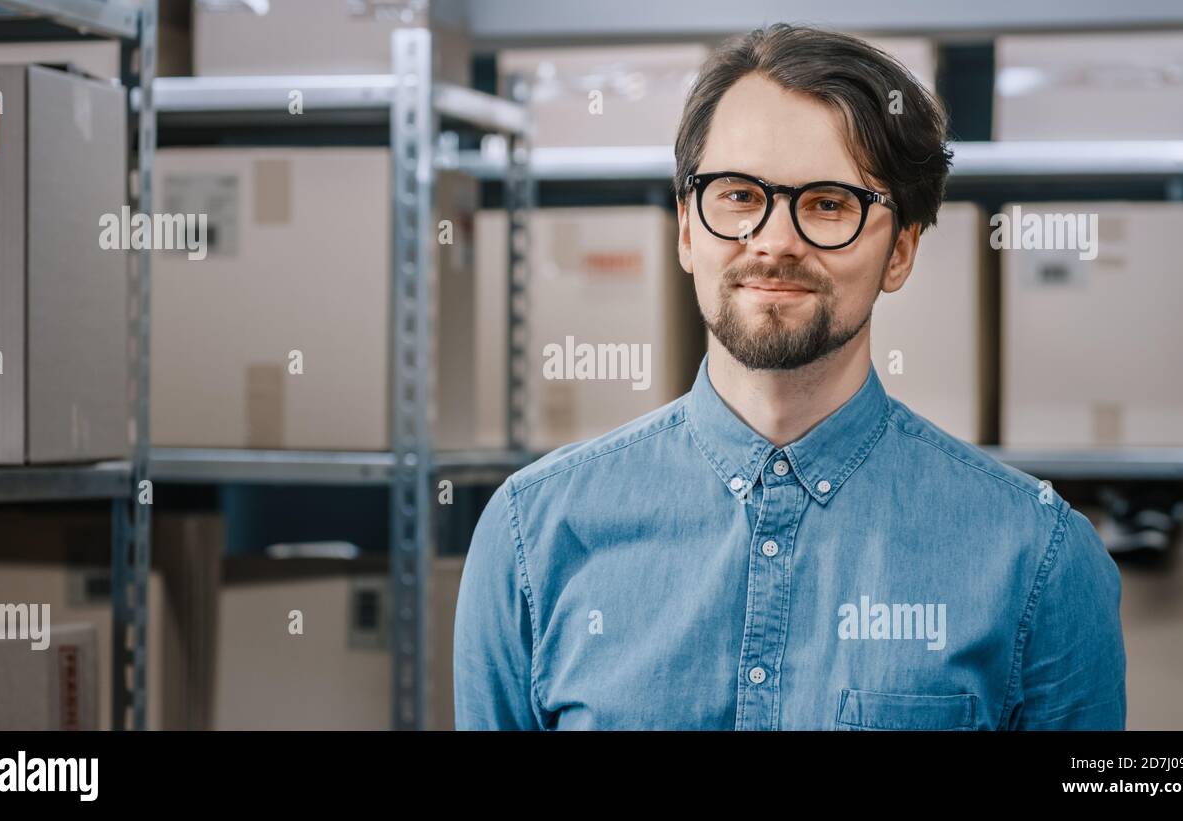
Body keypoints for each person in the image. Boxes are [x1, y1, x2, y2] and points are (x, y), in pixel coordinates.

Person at [453, 22, 1125, 730]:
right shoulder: (533, 536)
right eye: (738, 195)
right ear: (687, 228)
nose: (774, 242)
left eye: (829, 203)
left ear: (901, 250)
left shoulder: (1037, 559)